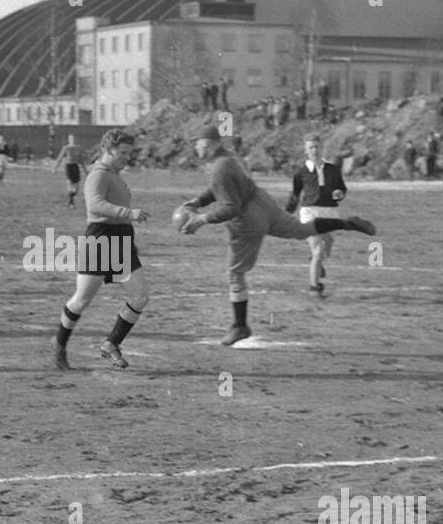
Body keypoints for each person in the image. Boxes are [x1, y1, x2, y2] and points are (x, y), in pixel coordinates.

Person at [178, 123, 376, 345]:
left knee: (236, 274)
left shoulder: (217, 169)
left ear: (206, 143)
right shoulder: (229, 157)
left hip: (247, 218)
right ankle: (345, 223)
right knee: (301, 230)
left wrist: (202, 219)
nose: (195, 148)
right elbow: (225, 187)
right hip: (263, 202)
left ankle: (240, 325)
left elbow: (230, 207)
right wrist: (199, 201)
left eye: (197, 143)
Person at [53, 129, 150, 371]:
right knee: (81, 301)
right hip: (101, 239)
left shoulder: (114, 174)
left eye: (130, 153)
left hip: (121, 240)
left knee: (139, 297)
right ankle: (60, 344)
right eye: (122, 153)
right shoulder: (98, 174)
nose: (127, 157)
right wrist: (129, 213)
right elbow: (95, 204)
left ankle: (111, 344)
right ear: (108, 150)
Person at [288, 134, 349, 298]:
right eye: (311, 147)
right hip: (310, 212)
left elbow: (342, 188)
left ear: (321, 148)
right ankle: (314, 288)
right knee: (318, 249)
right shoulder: (301, 171)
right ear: (306, 151)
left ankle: (316, 262)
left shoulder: (332, 169)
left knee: (327, 246)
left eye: (317, 147)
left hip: (329, 211)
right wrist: (286, 212)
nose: (314, 150)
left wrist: (339, 193)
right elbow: (295, 194)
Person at [53, 134, 85, 208]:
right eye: (71, 139)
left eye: (74, 139)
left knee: (76, 189)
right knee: (70, 185)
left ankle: (70, 201)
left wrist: (85, 170)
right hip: (68, 166)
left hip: (75, 167)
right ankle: (71, 203)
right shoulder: (66, 148)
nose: (73, 140)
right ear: (69, 140)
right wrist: (55, 168)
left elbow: (81, 160)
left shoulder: (78, 148)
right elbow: (60, 158)